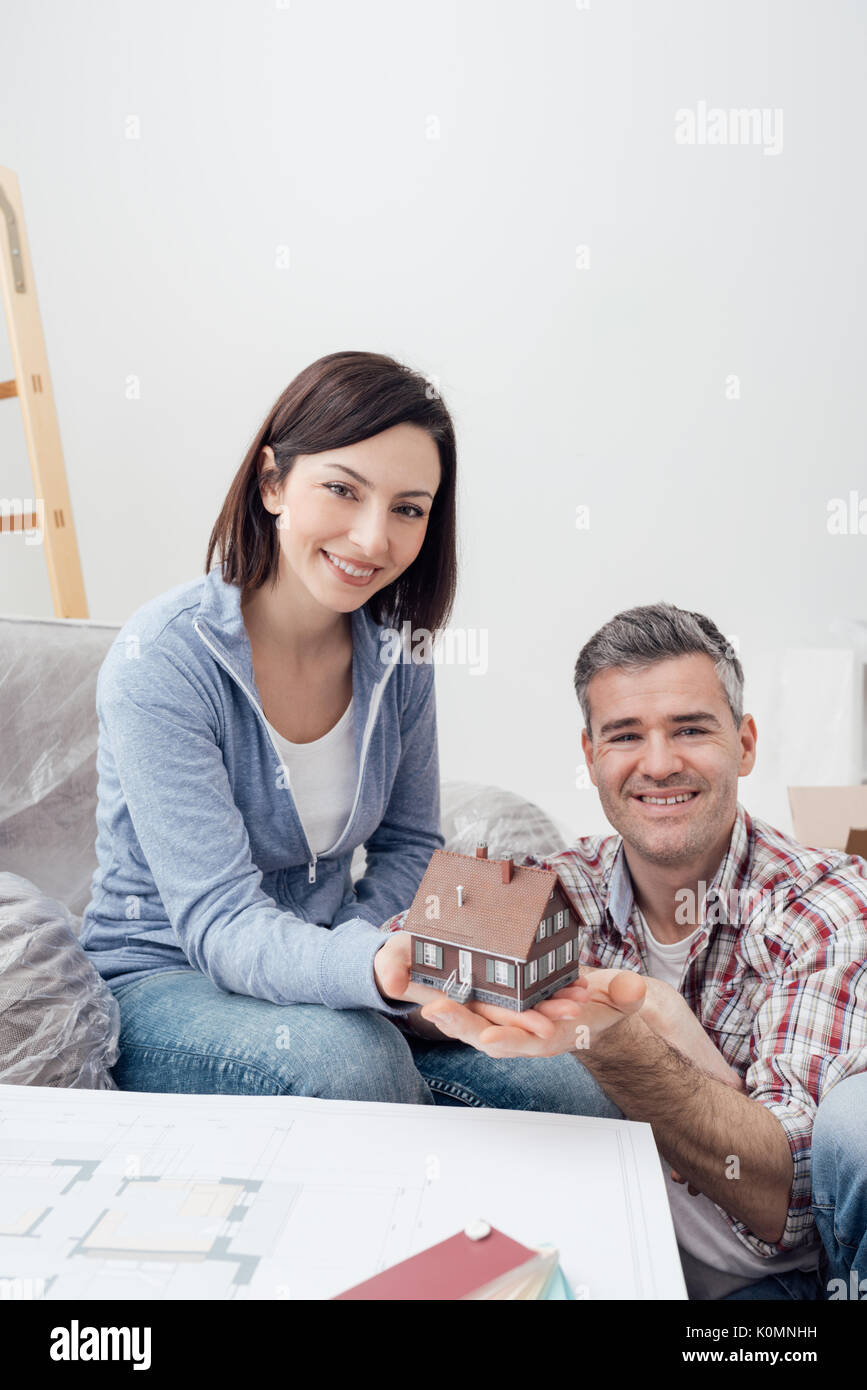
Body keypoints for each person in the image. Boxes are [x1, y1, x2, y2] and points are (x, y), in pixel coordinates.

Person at [380, 603, 867, 1299]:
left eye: (690, 729)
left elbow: (787, 1200)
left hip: (761, 1287)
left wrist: (621, 1037)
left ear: (744, 743)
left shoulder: (824, 905)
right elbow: (396, 961)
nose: (659, 764)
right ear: (591, 758)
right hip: (585, 1256)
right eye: (626, 735)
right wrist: (447, 977)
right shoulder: (563, 883)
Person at [80, 349, 462, 1102]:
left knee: (564, 1082)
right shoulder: (164, 659)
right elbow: (218, 918)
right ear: (272, 482)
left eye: (408, 509)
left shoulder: (401, 655)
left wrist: (368, 959)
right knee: (352, 1066)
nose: (373, 539)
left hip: (333, 968)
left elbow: (412, 847)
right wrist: (364, 968)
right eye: (342, 490)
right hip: (167, 978)